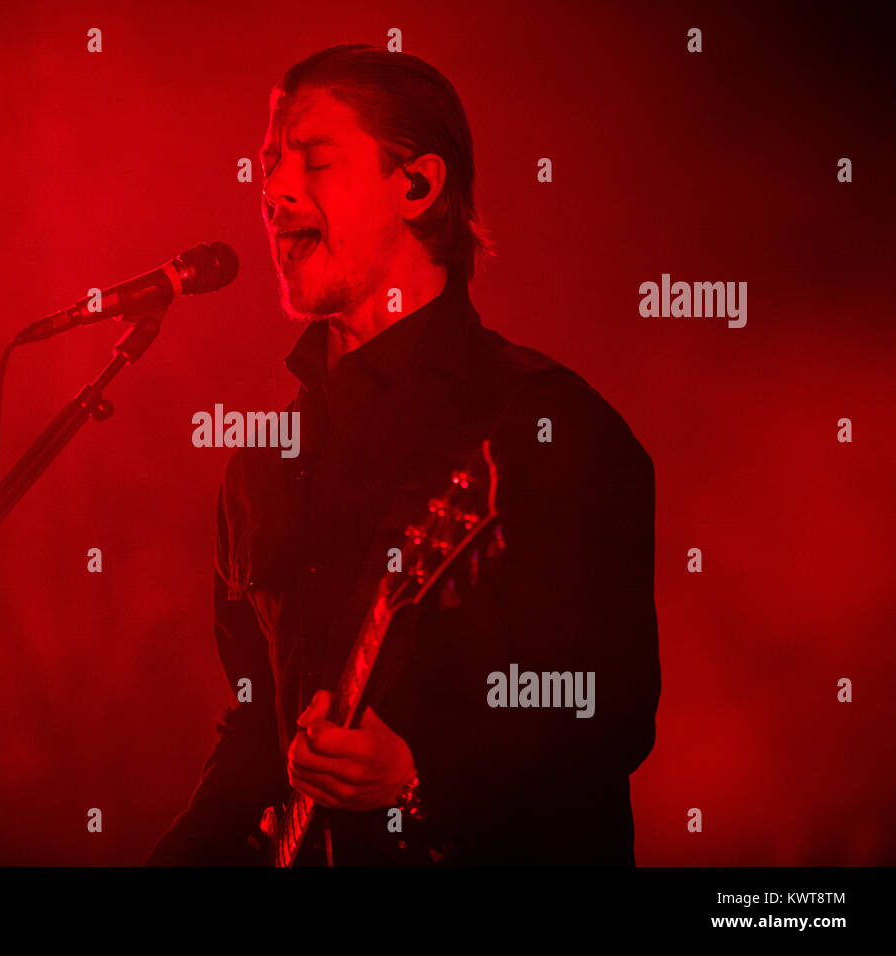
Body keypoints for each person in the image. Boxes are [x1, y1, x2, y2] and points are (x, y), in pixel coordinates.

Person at [148, 43, 660, 865]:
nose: (274, 192)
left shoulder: (546, 424)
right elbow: (258, 727)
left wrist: (421, 772)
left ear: (417, 186)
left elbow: (609, 707)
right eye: (267, 166)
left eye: (312, 160)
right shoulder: (261, 464)